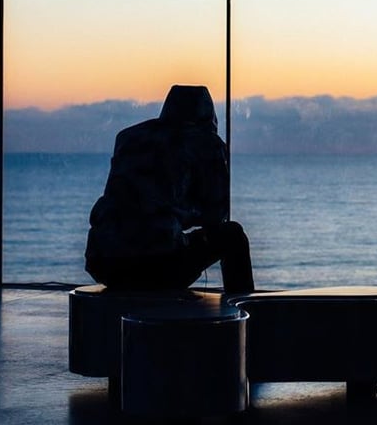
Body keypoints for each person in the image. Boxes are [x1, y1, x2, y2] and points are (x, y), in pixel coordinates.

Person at [84, 85, 254, 294]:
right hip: (157, 266)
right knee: (232, 235)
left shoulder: (129, 137)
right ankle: (246, 314)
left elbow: (132, 200)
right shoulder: (204, 143)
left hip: (103, 262)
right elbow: (216, 216)